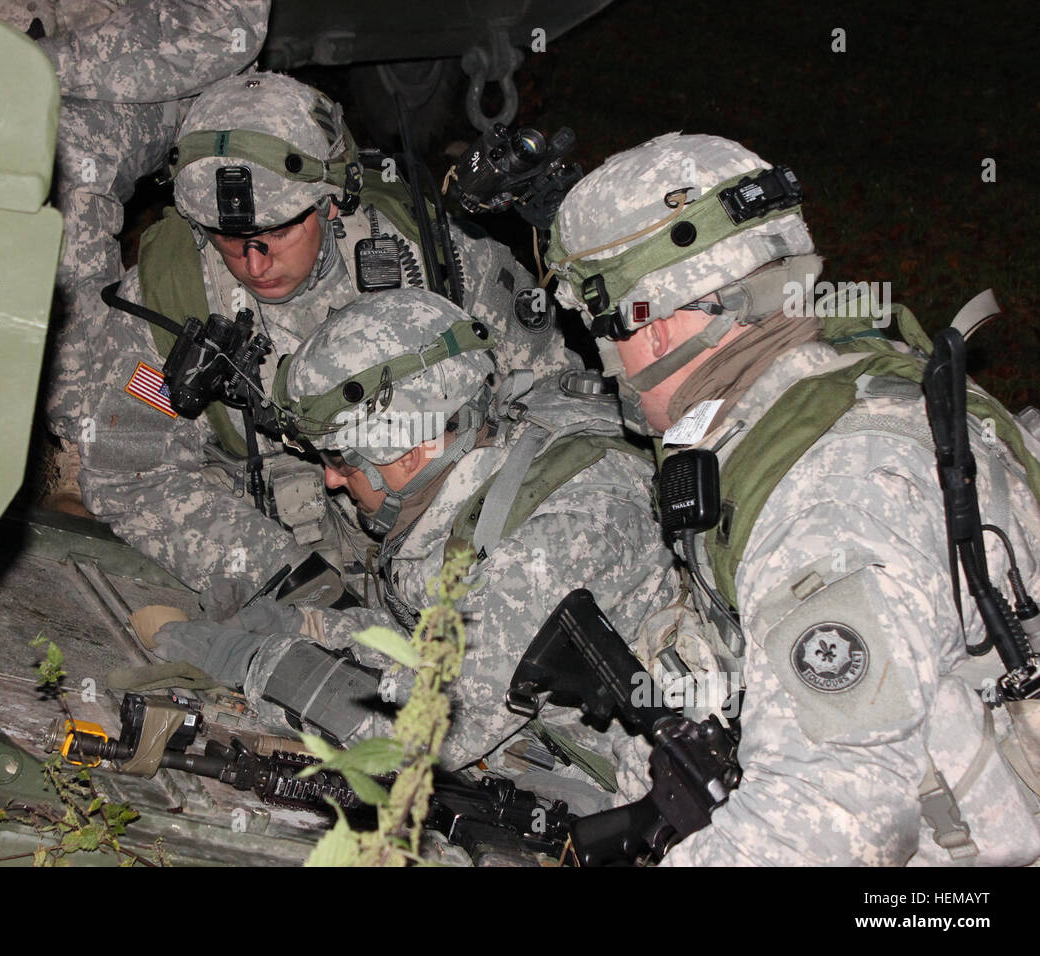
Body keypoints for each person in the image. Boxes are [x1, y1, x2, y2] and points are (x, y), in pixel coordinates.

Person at [546, 131, 1040, 865]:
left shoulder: (828, 495)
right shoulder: (825, 382)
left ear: (651, 323)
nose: (601, 355)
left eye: (601, 328)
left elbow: (827, 824)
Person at [141, 288, 674, 778]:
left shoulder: (543, 548)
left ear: (409, 450)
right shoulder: (491, 448)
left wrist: (253, 664)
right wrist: (312, 628)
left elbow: (416, 738)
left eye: (339, 460)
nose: (329, 479)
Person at [77, 72, 578, 593]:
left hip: (456, 528)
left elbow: (551, 396)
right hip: (272, 538)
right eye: (229, 237)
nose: (254, 261)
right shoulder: (165, 301)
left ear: (331, 201)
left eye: (280, 230)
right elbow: (128, 476)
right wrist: (284, 578)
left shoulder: (434, 260)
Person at [2, 0, 273, 451]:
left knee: (66, 160)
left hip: (182, 75)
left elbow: (226, 26)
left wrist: (36, 63)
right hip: (53, 67)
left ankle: (92, 431)